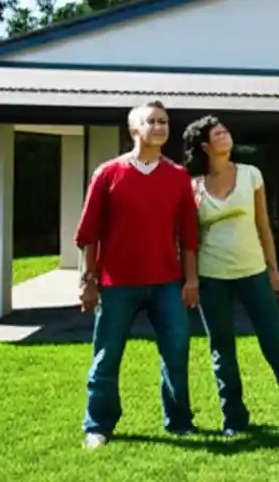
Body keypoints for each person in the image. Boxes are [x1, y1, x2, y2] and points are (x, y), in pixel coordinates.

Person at [182, 115, 279, 437]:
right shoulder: (193, 186)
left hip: (253, 272)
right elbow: (190, 241)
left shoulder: (251, 174)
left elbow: (263, 226)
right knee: (222, 349)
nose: (225, 135)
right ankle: (233, 420)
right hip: (212, 276)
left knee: (276, 344)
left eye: (225, 131)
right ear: (205, 146)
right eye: (218, 133)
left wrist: (273, 270)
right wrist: (191, 280)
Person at [76, 100, 201, 449]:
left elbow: (189, 236)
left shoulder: (178, 176)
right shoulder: (107, 173)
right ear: (134, 130)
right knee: (106, 357)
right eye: (152, 121)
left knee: (176, 352)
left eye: (164, 122)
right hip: (116, 285)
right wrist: (87, 281)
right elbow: (88, 233)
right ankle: (98, 425)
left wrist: (191, 280)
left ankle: (180, 422)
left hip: (167, 283)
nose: (160, 127)